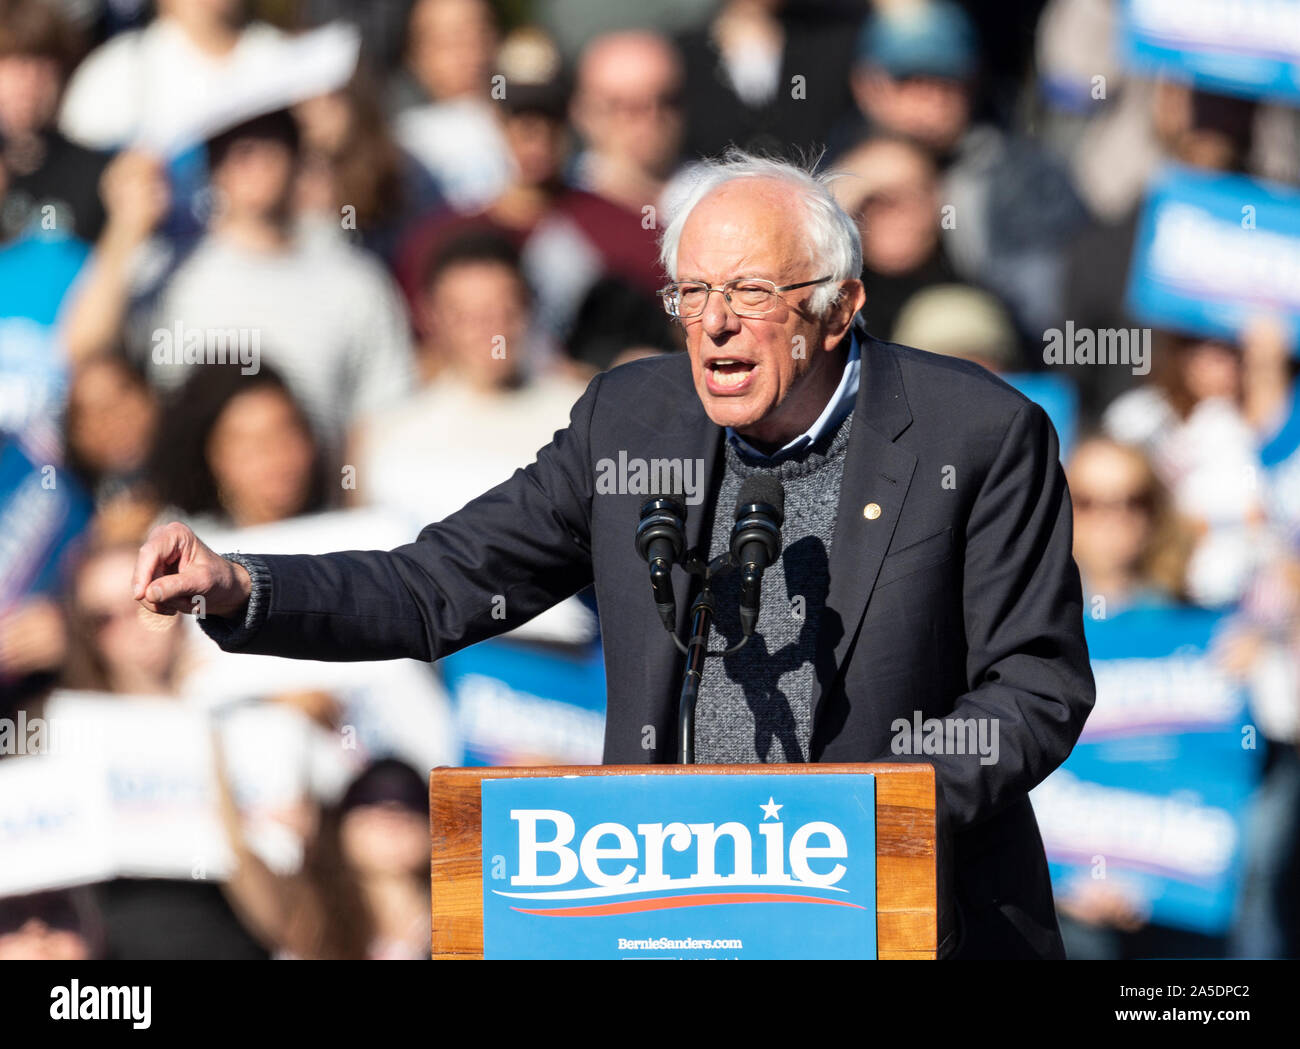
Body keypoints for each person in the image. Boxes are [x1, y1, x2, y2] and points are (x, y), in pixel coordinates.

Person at [132, 151, 1095, 960]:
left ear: (838, 309)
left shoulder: (976, 433)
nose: (713, 322)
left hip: (908, 922)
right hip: (668, 917)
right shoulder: (633, 420)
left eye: (750, 293)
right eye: (693, 292)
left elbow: (1035, 687)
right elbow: (439, 583)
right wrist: (244, 585)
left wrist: (874, 812)